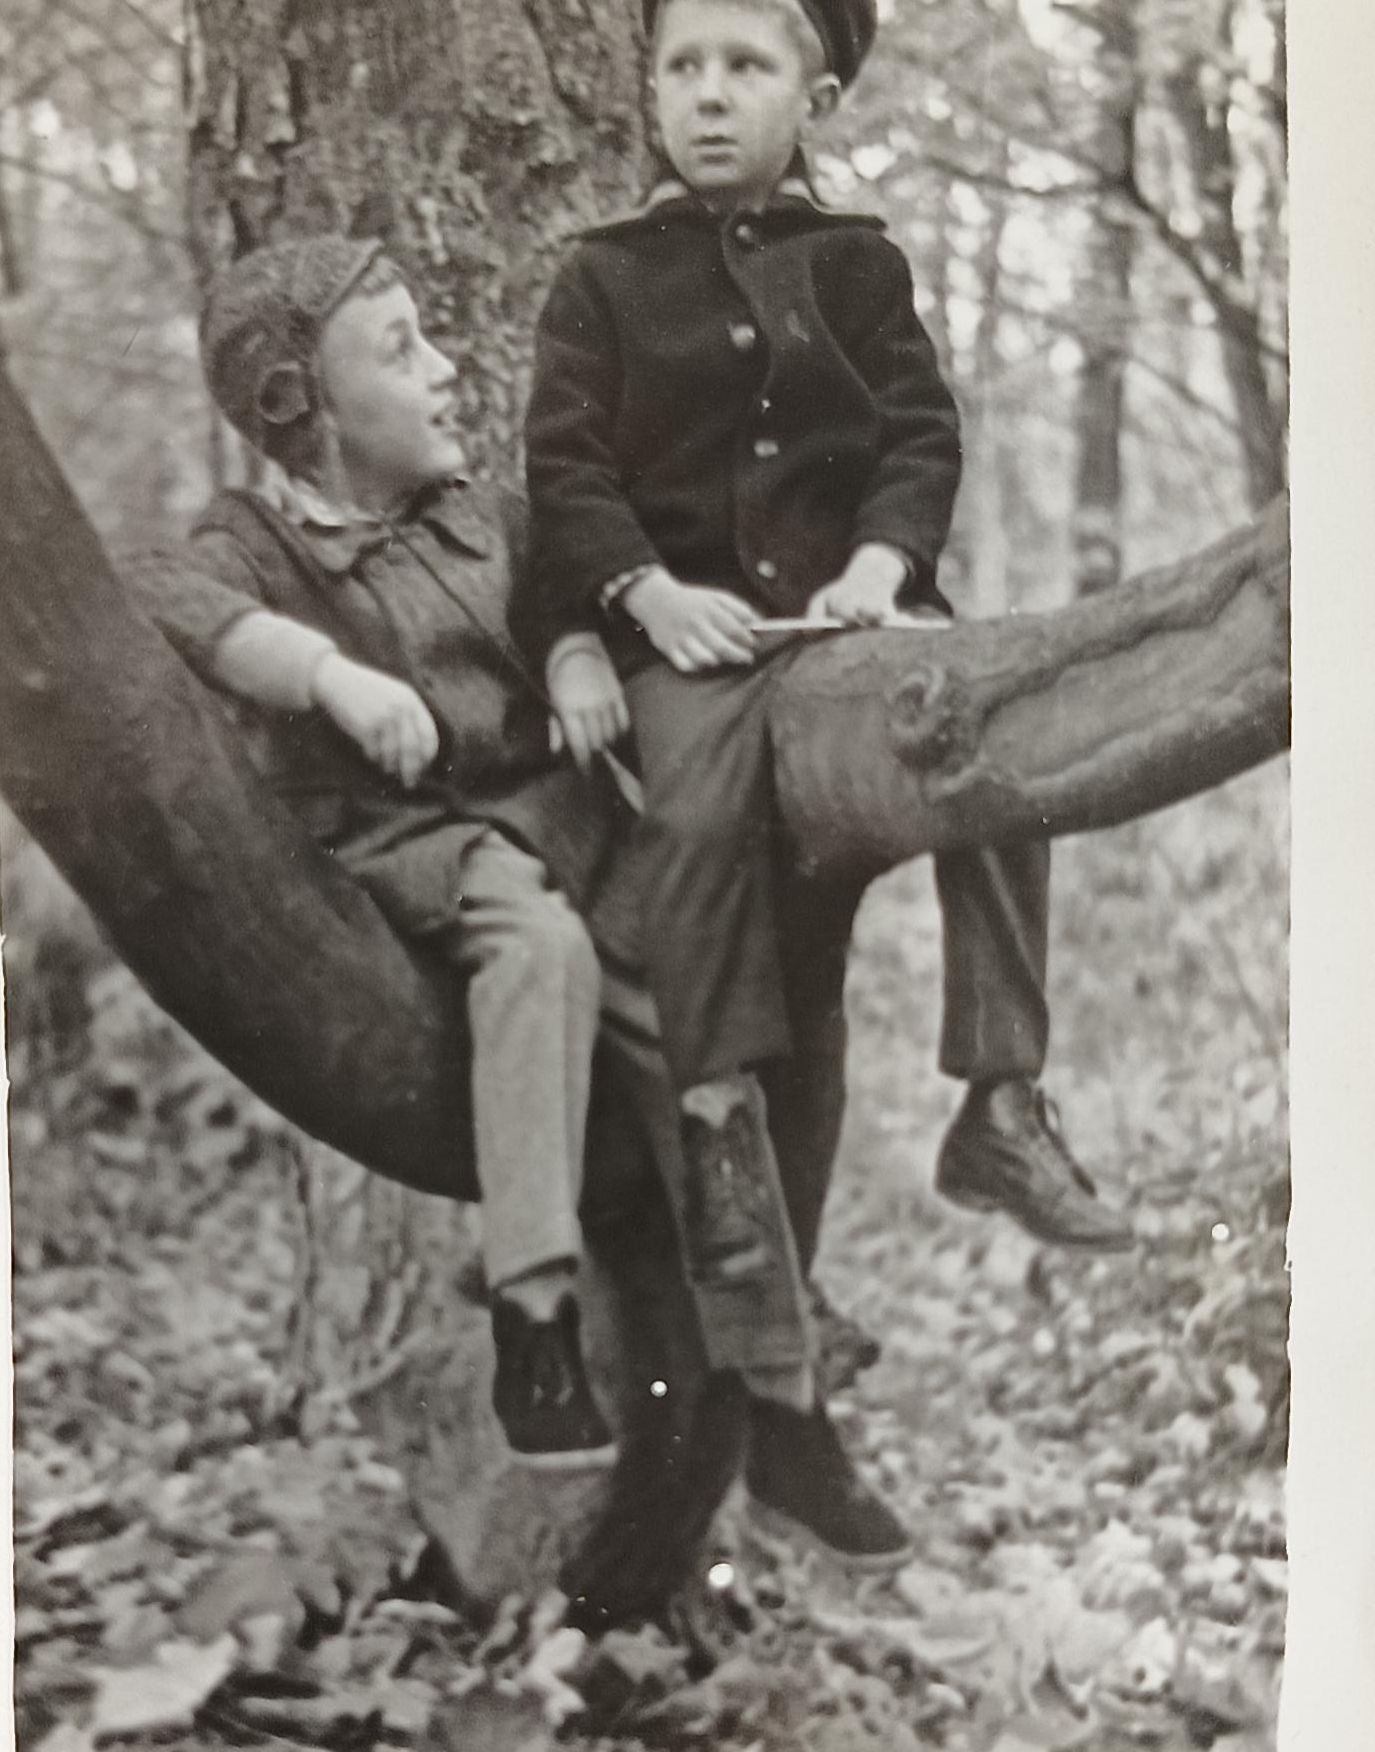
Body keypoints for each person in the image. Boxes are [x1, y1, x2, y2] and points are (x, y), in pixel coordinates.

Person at [136, 229, 908, 1561]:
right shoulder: (257, 541)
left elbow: (581, 587)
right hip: (426, 846)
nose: (444, 368)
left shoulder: (483, 513)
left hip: (573, 833)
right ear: (303, 408)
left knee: (707, 1047)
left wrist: (592, 655)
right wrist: (329, 677)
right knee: (535, 943)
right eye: (400, 351)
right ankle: (532, 1318)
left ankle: (784, 1403)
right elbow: (157, 594)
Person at [521, 0, 1132, 1354]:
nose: (709, 97)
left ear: (819, 99)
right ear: (651, 90)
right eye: (683, 68)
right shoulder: (602, 275)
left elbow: (920, 432)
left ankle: (1001, 1097)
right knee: (694, 809)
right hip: (693, 639)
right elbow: (565, 464)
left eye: (745, 68)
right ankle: (718, 1119)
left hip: (849, 618)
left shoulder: (857, 265)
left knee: (996, 739)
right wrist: (643, 595)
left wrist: (878, 565)